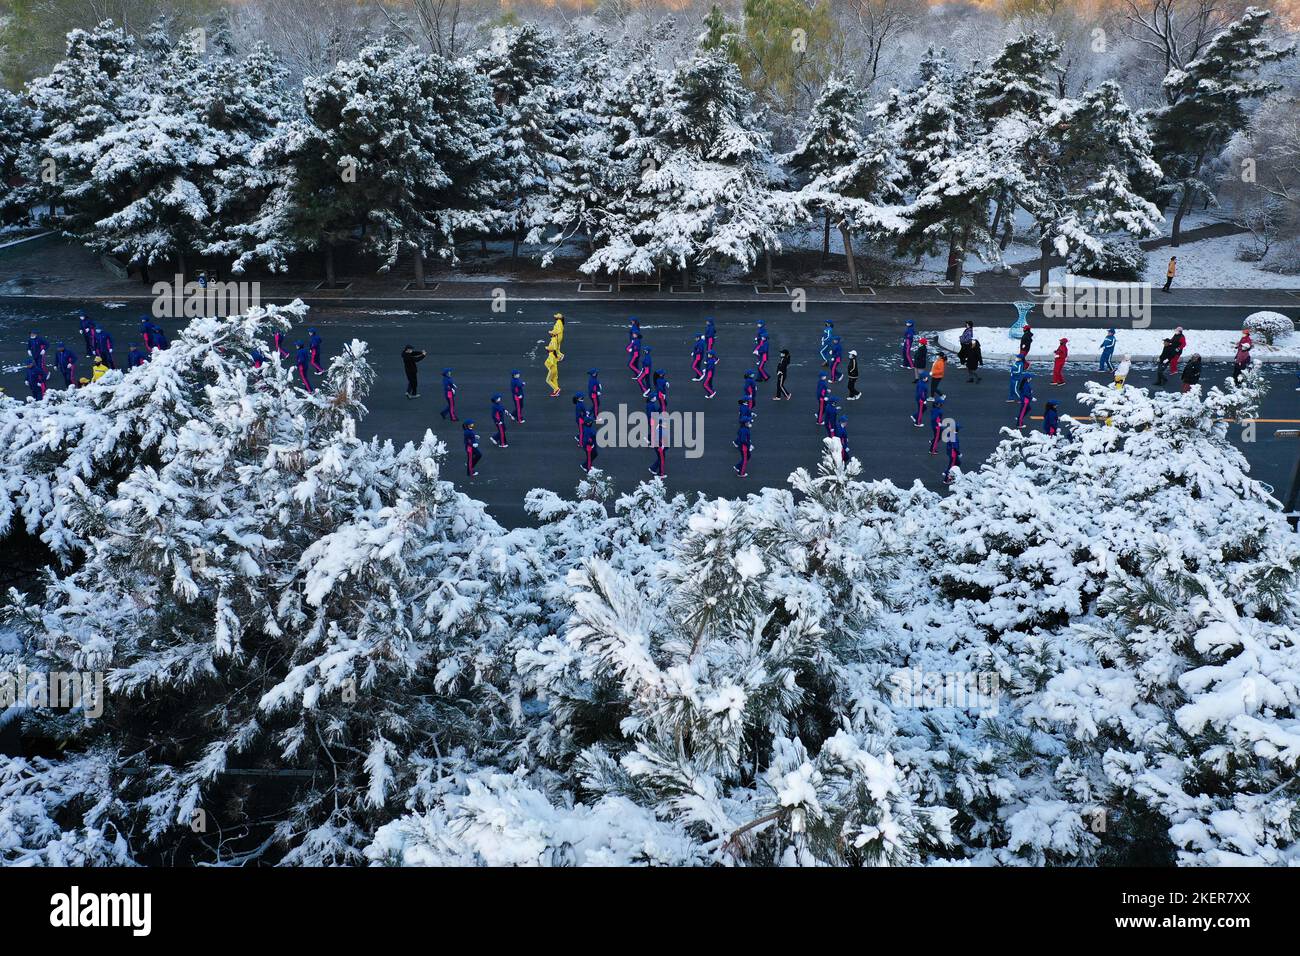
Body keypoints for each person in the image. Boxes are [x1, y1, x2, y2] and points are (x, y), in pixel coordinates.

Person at [647, 394, 666, 477]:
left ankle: (654, 468)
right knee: (661, 458)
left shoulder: (650, 405)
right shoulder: (651, 406)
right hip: (658, 445)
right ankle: (659, 472)